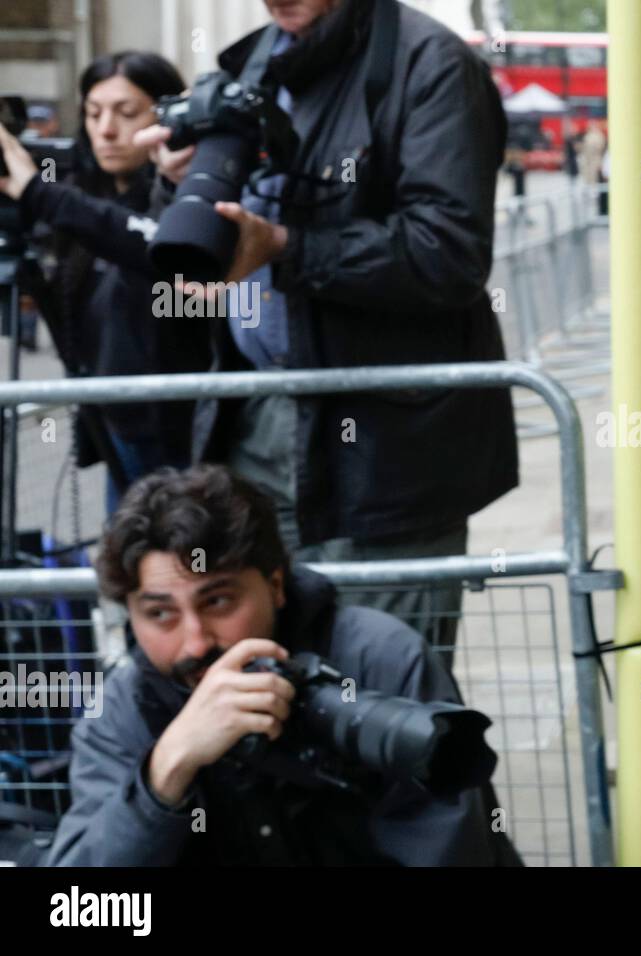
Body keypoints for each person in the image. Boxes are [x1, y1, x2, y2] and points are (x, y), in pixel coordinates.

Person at [135, 0, 518, 669]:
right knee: (267, 683)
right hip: (252, 428)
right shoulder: (253, 60)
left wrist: (284, 246)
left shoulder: (431, 65)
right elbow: (213, 235)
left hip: (384, 449)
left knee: (386, 690)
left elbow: (449, 253)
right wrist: (180, 184)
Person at [45, 464, 522, 866]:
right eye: (159, 614)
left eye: (218, 601)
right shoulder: (123, 709)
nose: (195, 641)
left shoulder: (378, 659)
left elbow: (451, 853)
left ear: (275, 585)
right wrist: (166, 770)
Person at [0, 52, 210, 510]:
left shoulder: (187, 191)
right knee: (125, 568)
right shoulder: (81, 191)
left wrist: (40, 193)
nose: (107, 130)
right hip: (113, 420)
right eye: (93, 114)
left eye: (127, 112)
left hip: (177, 431)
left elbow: (145, 244)